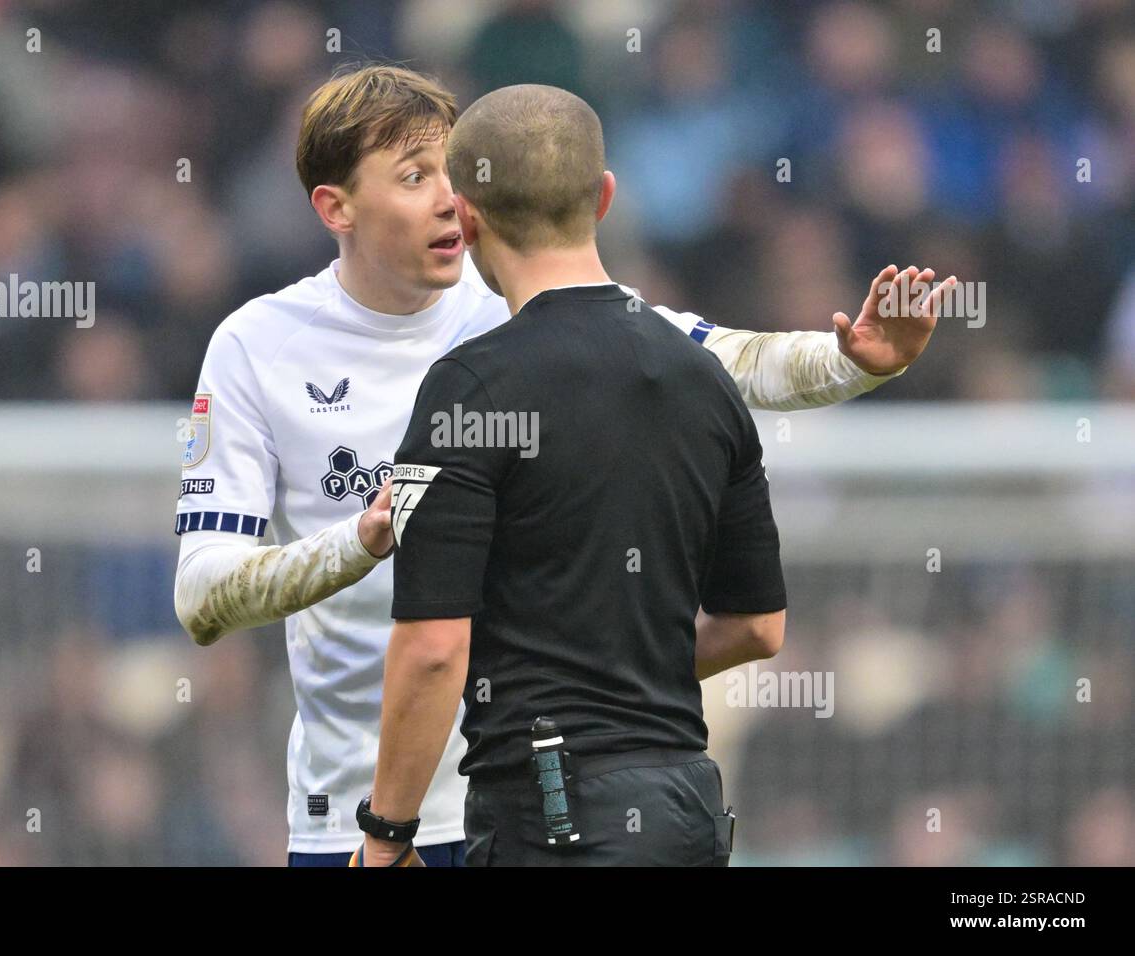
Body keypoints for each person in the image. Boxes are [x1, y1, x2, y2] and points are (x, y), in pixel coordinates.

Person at [172, 64, 946, 867]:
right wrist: (359, 542)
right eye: (412, 177)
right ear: (335, 206)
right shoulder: (255, 348)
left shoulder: (517, 313)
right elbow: (201, 600)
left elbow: (725, 360)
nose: (447, 198)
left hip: (524, 802)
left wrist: (856, 362)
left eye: (454, 172)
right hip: (354, 815)